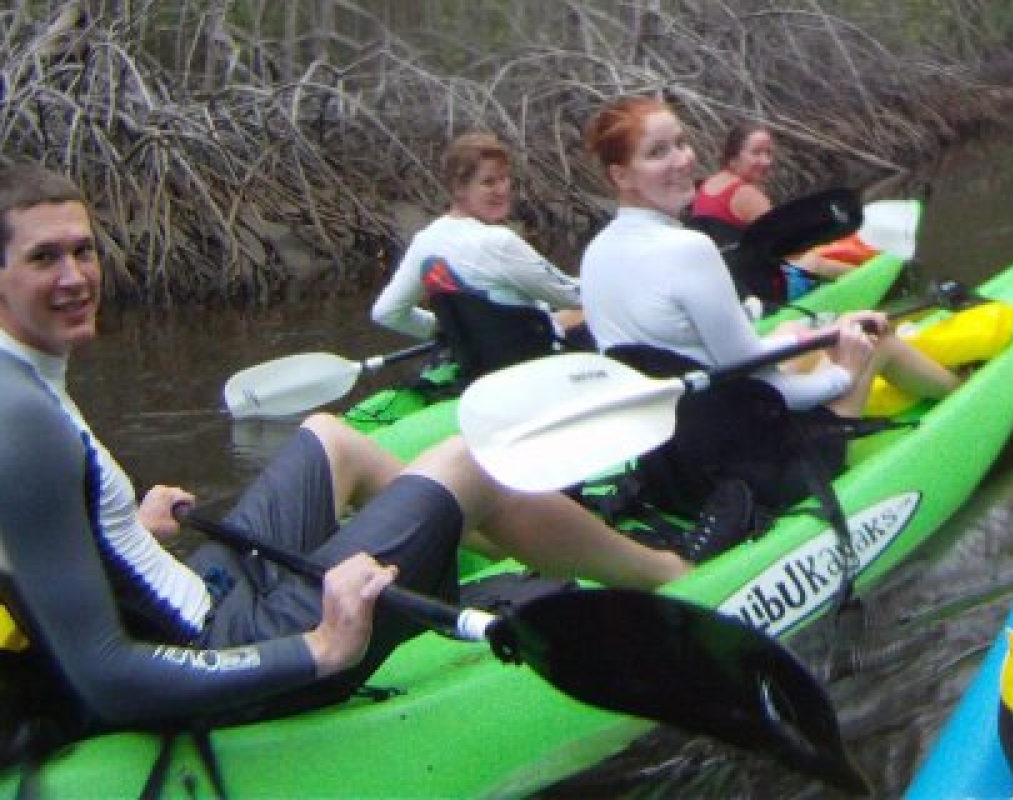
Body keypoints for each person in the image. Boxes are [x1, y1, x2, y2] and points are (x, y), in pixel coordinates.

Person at [0, 161, 686, 737]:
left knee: (330, 437)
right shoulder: (21, 418)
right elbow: (109, 677)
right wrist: (318, 648)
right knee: (467, 461)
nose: (75, 277)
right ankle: (666, 573)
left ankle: (485, 532)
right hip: (224, 651)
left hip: (196, 599)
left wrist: (127, 531)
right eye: (43, 257)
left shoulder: (25, 380)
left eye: (82, 250)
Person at [579, 98, 960, 547]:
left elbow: (722, 367)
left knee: (792, 334)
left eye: (681, 143)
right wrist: (842, 371)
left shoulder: (595, 255)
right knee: (872, 337)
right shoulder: (688, 250)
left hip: (676, 473)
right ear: (621, 176)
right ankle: (966, 392)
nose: (682, 160)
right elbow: (774, 392)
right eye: (658, 152)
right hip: (755, 469)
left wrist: (818, 337)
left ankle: (879, 357)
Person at [370, 131, 585, 345]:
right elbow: (575, 296)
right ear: (459, 188)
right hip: (532, 358)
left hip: (480, 361)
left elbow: (387, 313)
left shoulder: (425, 241)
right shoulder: (500, 242)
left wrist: (453, 332)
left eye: (504, 178)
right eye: (488, 182)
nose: (502, 190)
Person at [690, 122, 861, 283]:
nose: (766, 161)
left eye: (769, 153)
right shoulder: (746, 195)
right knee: (813, 262)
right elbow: (788, 249)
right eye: (756, 153)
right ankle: (868, 280)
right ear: (733, 157)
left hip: (732, 278)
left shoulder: (708, 185)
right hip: (760, 284)